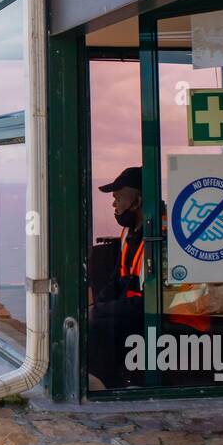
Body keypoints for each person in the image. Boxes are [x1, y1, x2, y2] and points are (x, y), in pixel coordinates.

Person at [88, 166, 146, 387]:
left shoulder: (161, 234)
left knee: (97, 326)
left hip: (155, 316)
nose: (114, 205)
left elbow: (153, 301)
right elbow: (116, 278)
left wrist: (99, 311)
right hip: (131, 308)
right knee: (90, 318)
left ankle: (108, 387)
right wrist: (97, 306)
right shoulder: (129, 232)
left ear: (137, 201)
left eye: (118, 198)